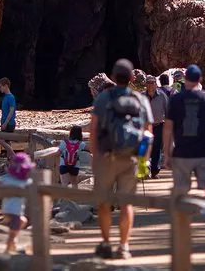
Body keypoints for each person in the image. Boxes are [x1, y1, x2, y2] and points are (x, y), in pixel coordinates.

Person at [90, 58, 153, 260]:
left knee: (104, 203)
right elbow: (148, 132)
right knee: (127, 204)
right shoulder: (140, 100)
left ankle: (106, 242)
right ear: (133, 77)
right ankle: (124, 246)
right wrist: (144, 160)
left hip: (107, 156)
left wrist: (95, 155)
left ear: (114, 77)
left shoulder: (103, 99)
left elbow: (93, 130)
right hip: (131, 158)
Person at [165, 64, 205, 240]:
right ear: (200, 80)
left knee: (181, 189)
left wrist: (167, 153)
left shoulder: (175, 100)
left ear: (185, 80)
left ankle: (181, 226)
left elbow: (168, 128)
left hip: (182, 152)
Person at [145, 76, 169, 178]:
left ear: (156, 84)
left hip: (158, 126)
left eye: (152, 82)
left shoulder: (162, 96)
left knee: (156, 148)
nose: (150, 85)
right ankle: (146, 170)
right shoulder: (141, 96)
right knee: (145, 148)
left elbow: (167, 110)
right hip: (145, 127)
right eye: (148, 83)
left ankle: (155, 171)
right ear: (146, 84)